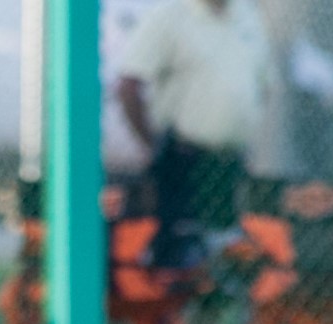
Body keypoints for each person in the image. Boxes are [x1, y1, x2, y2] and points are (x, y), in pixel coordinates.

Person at [115, 0, 273, 268]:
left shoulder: (248, 15)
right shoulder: (170, 16)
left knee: (231, 255)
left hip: (230, 163)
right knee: (181, 259)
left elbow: (261, 84)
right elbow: (130, 85)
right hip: (183, 161)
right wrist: (151, 145)